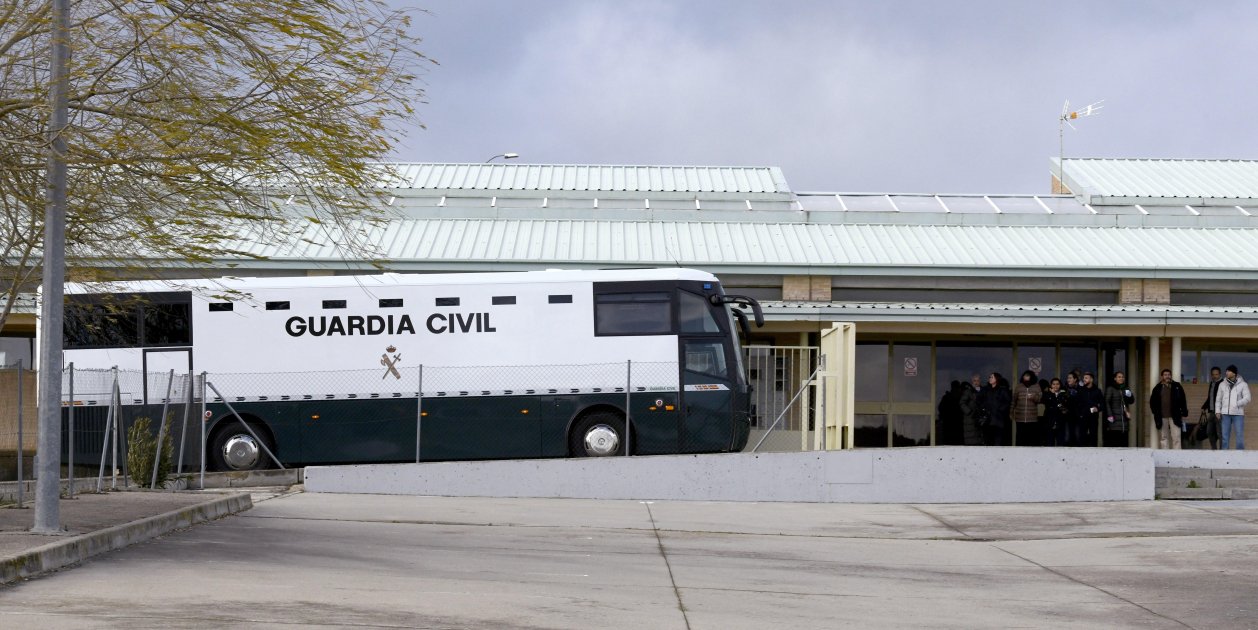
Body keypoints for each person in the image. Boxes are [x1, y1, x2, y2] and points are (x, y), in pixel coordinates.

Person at [1215, 364, 1252, 451]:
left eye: (1229, 371)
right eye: (1226, 371)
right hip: (1225, 414)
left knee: (1239, 435)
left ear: (1234, 373)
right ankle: (1225, 454)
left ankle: (1239, 454)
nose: (1226, 372)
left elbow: (1248, 398)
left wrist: (1236, 403)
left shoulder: (1243, 384)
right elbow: (1218, 399)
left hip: (1238, 414)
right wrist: (1217, 411)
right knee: (1225, 435)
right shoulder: (1222, 384)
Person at [1149, 368, 1189, 450]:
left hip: (1175, 416)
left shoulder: (1177, 386)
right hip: (1162, 416)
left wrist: (1184, 411)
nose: (1167, 376)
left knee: (1176, 437)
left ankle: (1177, 456)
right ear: (1162, 376)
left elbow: (1183, 399)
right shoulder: (1157, 388)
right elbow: (1152, 402)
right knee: (1164, 437)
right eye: (1165, 375)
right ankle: (1165, 456)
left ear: (1171, 376)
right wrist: (1155, 412)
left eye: (1168, 375)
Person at [977, 372, 1011, 447]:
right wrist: (983, 408)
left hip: (998, 420)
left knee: (997, 442)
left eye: (992, 377)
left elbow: (1007, 402)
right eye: (989, 377)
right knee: (987, 442)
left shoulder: (1002, 390)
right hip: (987, 420)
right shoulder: (985, 389)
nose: (990, 378)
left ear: (997, 379)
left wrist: (1000, 410)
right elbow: (978, 400)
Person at [1102, 371, 1135, 447]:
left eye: (1122, 377)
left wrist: (1130, 395)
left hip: (1124, 419)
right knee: (1114, 439)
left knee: (1123, 441)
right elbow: (1106, 402)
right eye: (1119, 377)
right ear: (1115, 378)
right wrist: (1109, 415)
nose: (1121, 378)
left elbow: (1131, 401)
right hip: (1114, 418)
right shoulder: (1110, 388)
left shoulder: (1125, 388)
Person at [1010, 370, 1042, 446]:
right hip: (1020, 417)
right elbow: (1013, 401)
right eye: (1025, 375)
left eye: (1028, 375)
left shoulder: (1037, 386)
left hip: (1032, 417)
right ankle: (1019, 455)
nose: (1026, 377)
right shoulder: (1018, 386)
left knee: (1031, 438)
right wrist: (1011, 412)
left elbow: (1039, 400)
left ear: (1031, 377)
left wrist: (1034, 397)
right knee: (1020, 438)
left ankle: (1031, 455)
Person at [1073, 372, 1105, 447]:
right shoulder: (1080, 391)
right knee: (1082, 437)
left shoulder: (1097, 391)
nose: (1084, 379)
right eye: (1084, 378)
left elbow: (1103, 404)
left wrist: (1098, 408)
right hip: (1082, 417)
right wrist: (1079, 415)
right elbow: (1076, 404)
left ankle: (1093, 455)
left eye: (1086, 378)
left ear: (1091, 379)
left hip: (1093, 417)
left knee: (1093, 436)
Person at [1200, 367, 1224, 450]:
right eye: (1213, 374)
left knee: (1220, 433)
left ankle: (1222, 452)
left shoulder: (1223, 383)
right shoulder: (1212, 383)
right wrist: (1204, 407)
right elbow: (1210, 397)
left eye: (1216, 374)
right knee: (1209, 432)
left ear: (1220, 374)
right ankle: (1214, 450)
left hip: (1220, 413)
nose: (1215, 376)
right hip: (1211, 412)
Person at [1041, 377, 1068, 446]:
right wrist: (1052, 394)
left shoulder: (1064, 394)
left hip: (1060, 422)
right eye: (1053, 384)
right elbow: (1045, 401)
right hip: (1049, 422)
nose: (1055, 386)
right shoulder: (1047, 394)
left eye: (1057, 384)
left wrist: (1057, 399)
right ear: (1051, 385)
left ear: (1060, 385)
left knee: (1060, 443)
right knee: (1049, 443)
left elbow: (1063, 408)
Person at [959, 376, 983, 446]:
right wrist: (970, 412)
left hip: (980, 418)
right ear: (972, 382)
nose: (976, 382)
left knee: (980, 440)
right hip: (970, 419)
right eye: (974, 381)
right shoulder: (968, 392)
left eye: (978, 380)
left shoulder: (983, 391)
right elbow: (962, 403)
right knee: (971, 441)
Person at [1063, 371, 1082, 446]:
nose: (1068, 379)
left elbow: (1083, 402)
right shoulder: (1064, 389)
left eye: (1070, 378)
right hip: (1067, 417)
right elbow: (1060, 402)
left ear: (1075, 379)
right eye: (1068, 378)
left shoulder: (1081, 390)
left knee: (1078, 437)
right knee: (1067, 438)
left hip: (1078, 417)